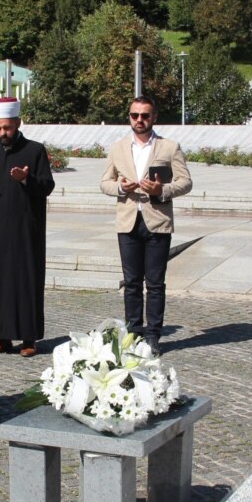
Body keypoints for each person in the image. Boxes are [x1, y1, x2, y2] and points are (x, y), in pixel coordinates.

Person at [98, 96, 193, 355]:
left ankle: (153, 336)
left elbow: (186, 182)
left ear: (154, 118)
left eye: (145, 116)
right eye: (134, 115)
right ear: (129, 117)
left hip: (157, 221)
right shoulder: (117, 147)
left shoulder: (169, 147)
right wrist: (120, 187)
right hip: (128, 221)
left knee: (155, 283)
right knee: (130, 282)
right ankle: (133, 334)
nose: (139, 120)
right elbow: (104, 182)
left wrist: (162, 190)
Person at [0, 96, 55, 358]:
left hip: (26, 228)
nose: (3, 133)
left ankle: (29, 339)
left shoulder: (35, 150)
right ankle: (1, 337)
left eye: (7, 127)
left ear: (18, 123)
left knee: (26, 280)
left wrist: (25, 178)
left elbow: (46, 187)